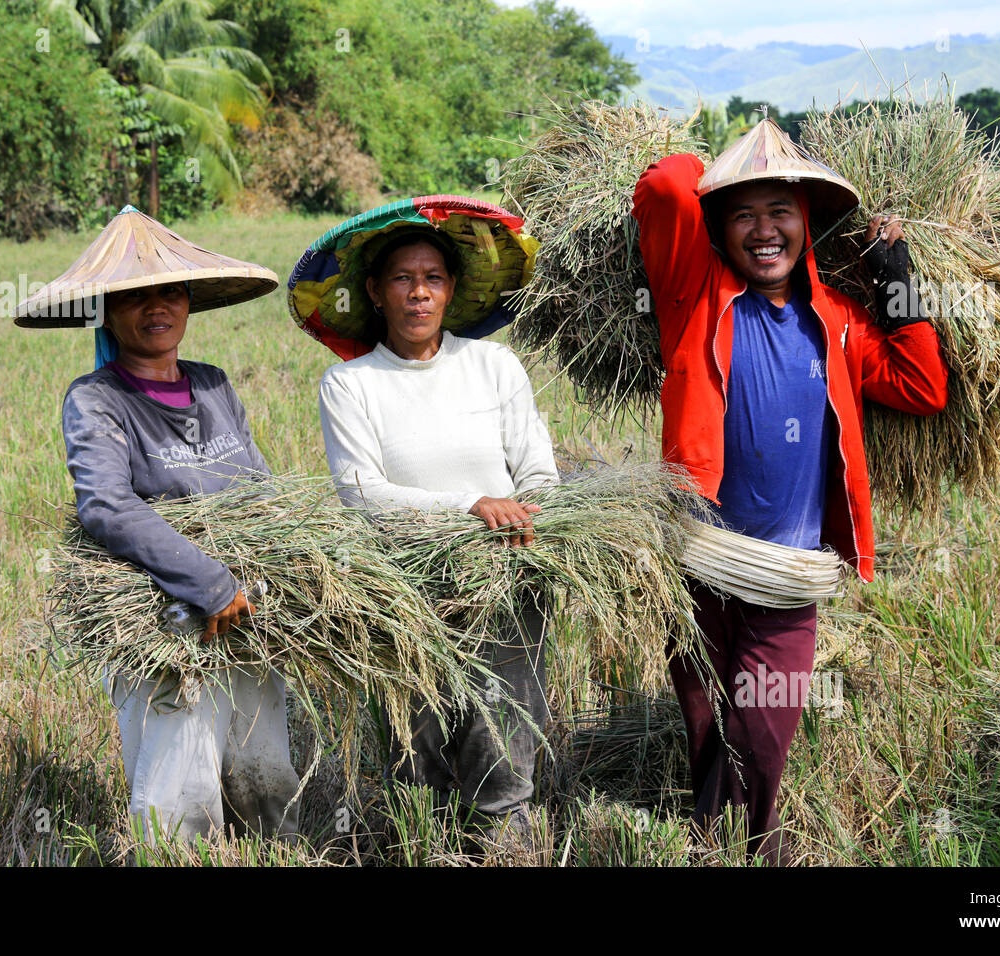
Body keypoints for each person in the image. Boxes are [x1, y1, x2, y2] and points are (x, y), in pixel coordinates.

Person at [632, 119, 949, 863]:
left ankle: (738, 847)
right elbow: (665, 186)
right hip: (697, 557)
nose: (765, 229)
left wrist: (894, 271)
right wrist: (724, 166)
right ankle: (730, 849)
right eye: (744, 213)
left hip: (786, 569)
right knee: (707, 721)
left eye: (782, 212)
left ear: (807, 225)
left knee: (762, 728)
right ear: (718, 227)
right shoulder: (694, 294)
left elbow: (923, 384)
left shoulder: (834, 323)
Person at [15, 204, 300, 844]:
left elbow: (260, 484)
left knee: (264, 766)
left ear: (190, 299)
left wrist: (294, 564)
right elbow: (106, 506)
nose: (156, 306)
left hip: (254, 608)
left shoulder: (213, 384)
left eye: (170, 289)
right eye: (134, 295)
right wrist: (209, 581)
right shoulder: (96, 398)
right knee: (181, 785)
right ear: (105, 311)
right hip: (172, 613)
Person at [288, 197, 555, 840]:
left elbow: (539, 474)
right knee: (421, 756)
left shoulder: (494, 366)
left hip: (506, 581)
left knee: (502, 749)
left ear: (452, 290)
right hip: (408, 590)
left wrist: (517, 523)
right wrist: (470, 506)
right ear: (376, 292)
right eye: (402, 280)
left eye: (432, 279)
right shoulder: (351, 384)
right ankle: (428, 849)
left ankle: (508, 850)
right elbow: (361, 493)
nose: (418, 293)